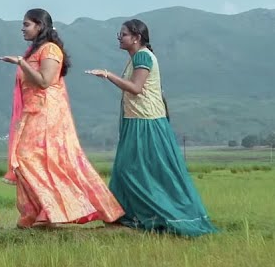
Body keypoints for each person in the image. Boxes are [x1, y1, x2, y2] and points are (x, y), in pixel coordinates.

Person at [85, 19, 217, 236]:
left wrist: (108, 75)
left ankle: (160, 215)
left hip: (146, 122)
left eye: (124, 35)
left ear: (136, 38)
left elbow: (136, 88)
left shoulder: (143, 56)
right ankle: (127, 215)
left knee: (141, 170)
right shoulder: (137, 57)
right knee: (127, 169)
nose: (120, 38)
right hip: (137, 119)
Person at [0, 8, 123, 228]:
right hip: (32, 111)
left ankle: (53, 212)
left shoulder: (51, 50)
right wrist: (23, 61)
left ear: (40, 25)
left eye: (26, 24)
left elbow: (45, 81)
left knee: (29, 157)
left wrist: (21, 63)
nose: (22, 28)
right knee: (27, 159)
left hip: (47, 113)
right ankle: (43, 213)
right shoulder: (32, 51)